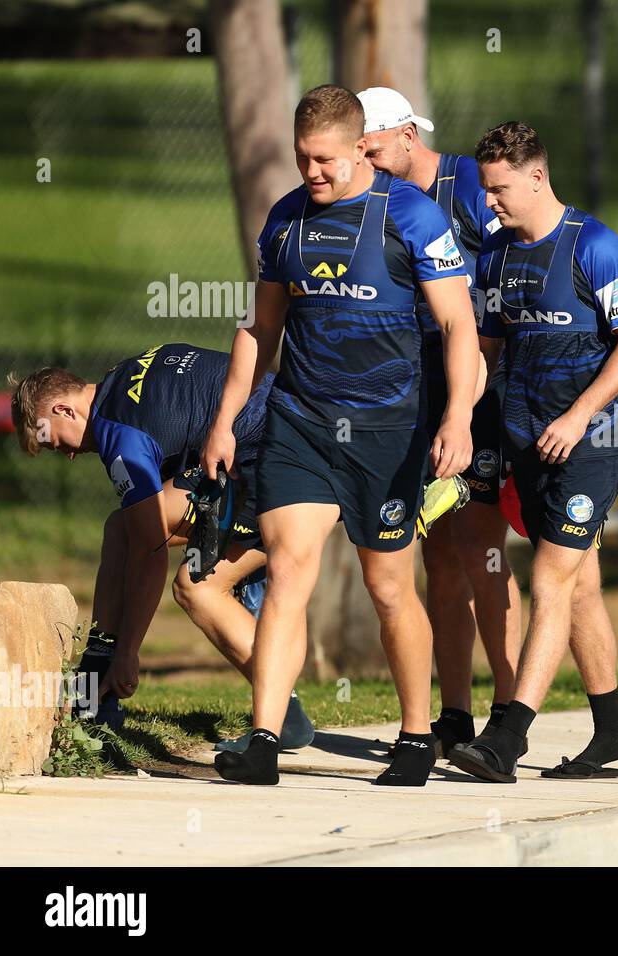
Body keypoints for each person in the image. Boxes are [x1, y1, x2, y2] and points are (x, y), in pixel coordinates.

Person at [202, 84, 479, 787]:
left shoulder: (411, 216)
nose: (313, 172)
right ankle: (264, 738)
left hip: (389, 427)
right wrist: (225, 422)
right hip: (301, 419)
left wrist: (458, 417)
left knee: (388, 585)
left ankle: (417, 736)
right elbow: (261, 330)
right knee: (289, 569)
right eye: (302, 159)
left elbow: (457, 325)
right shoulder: (285, 221)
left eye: (325, 159)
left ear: (362, 148)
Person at [448, 121, 618, 783]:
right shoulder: (497, 255)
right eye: (485, 190)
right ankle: (611, 730)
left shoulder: (593, 245)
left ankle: (507, 738)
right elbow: (485, 349)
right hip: (527, 441)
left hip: (594, 439)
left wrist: (580, 413)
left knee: (548, 581)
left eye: (500, 189)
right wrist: (457, 420)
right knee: (580, 587)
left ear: (537, 177)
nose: (490, 203)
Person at [6, 345, 313, 747]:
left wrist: (130, 653)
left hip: (282, 462)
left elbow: (150, 552)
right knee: (122, 527)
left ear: (65, 410)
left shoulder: (120, 437)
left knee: (196, 587)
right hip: (291, 437)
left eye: (53, 442)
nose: (64, 455)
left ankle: (282, 717)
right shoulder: (125, 372)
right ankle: (95, 679)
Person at [358, 86, 521, 757]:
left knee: (485, 551)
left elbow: (517, 270)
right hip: (419, 385)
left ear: (403, 134)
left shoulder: (470, 188)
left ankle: (509, 711)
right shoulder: (375, 202)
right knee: (440, 557)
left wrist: (480, 373)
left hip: (487, 380)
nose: (362, 162)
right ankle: (453, 712)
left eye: (368, 149)